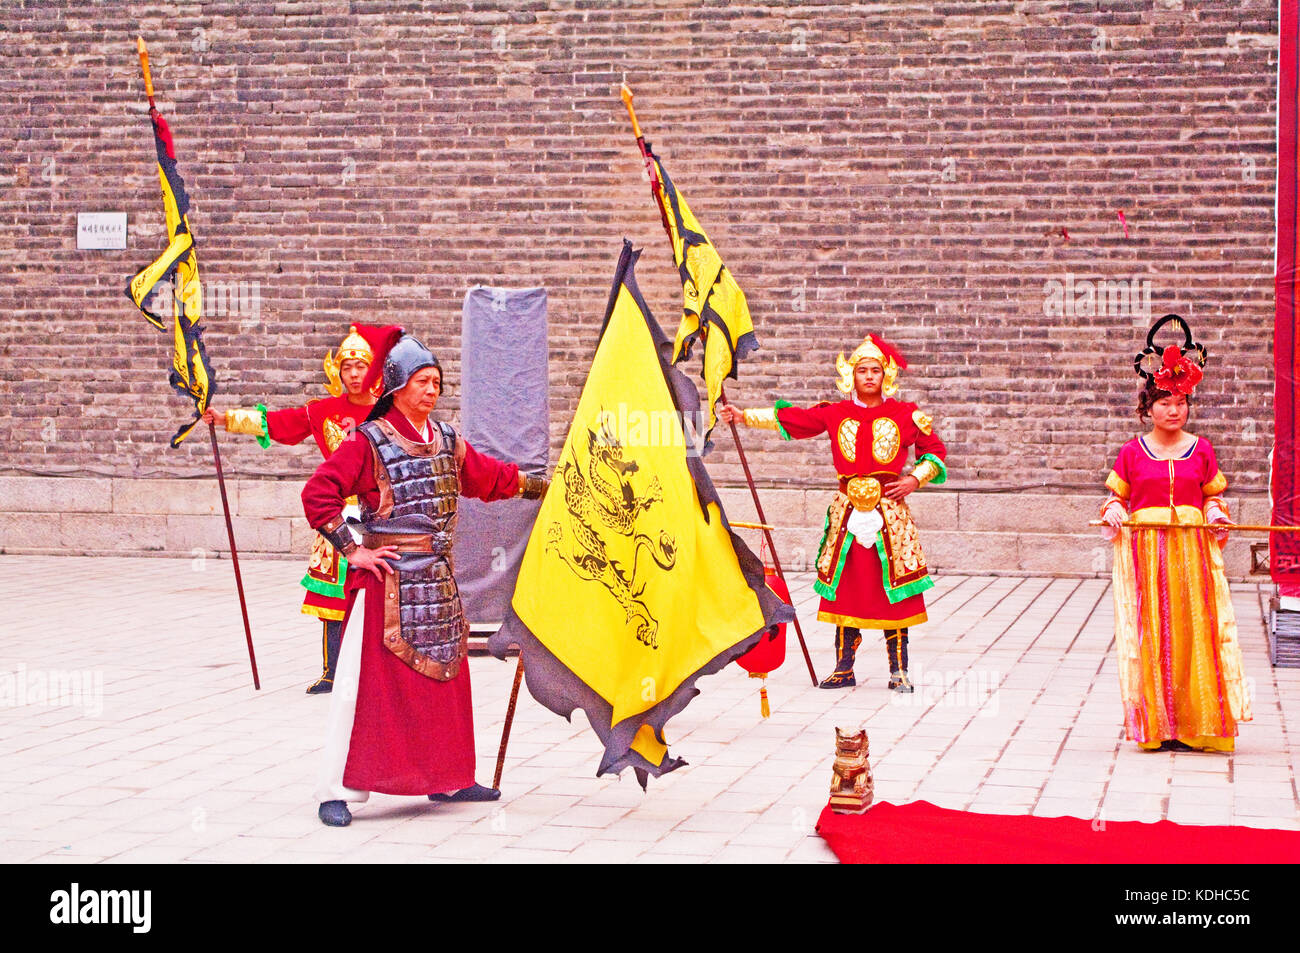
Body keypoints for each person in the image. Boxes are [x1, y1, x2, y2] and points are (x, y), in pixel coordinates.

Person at [301, 334, 547, 827]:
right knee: (365, 688)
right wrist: (354, 550)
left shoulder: (447, 440)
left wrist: (544, 483)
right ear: (396, 388)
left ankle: (449, 776)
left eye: (436, 382)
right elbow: (318, 493)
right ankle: (338, 790)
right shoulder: (368, 442)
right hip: (386, 585)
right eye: (422, 382)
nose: (432, 390)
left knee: (443, 684)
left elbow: (488, 477)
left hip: (436, 580)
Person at [719, 333, 947, 691]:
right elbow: (795, 420)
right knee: (847, 589)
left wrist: (914, 480)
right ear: (851, 376)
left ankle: (898, 669)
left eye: (875, 370)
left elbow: (934, 451)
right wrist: (744, 416)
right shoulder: (836, 413)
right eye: (862, 370)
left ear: (885, 375)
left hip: (891, 516)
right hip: (848, 515)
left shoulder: (906, 414)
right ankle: (844, 666)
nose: (869, 376)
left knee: (896, 590)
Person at [203, 323, 401, 693]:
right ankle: (333, 671)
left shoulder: (388, 411)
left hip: (380, 512)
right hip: (337, 515)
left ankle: (380, 671)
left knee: (382, 589)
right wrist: (227, 418)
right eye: (347, 367)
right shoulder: (323, 411)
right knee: (333, 594)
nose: (354, 374)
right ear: (337, 371)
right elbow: (277, 423)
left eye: (361, 366)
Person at [1100, 315, 1252, 751]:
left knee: (1196, 632)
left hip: (1192, 552)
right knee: (1155, 634)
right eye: (1164, 402)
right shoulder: (1132, 452)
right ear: (1148, 408)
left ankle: (1198, 726)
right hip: (1148, 554)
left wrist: (1217, 515)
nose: (1173, 410)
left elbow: (1212, 498)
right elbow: (1115, 499)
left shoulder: (1201, 449)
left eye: (1180, 402)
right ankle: (1158, 727)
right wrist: (1112, 512)